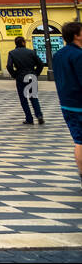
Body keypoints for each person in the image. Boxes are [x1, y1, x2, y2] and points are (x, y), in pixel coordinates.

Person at [51, 21, 82, 190]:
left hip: (66, 103)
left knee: (79, 140)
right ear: (76, 35)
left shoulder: (59, 54)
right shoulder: (78, 55)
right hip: (79, 103)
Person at [5, 35, 45, 125]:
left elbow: (9, 66)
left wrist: (15, 74)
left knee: (24, 100)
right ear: (23, 42)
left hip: (21, 78)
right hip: (32, 76)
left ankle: (29, 119)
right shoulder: (31, 52)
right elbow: (41, 64)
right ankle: (39, 115)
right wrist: (36, 73)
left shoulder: (12, 53)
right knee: (34, 97)